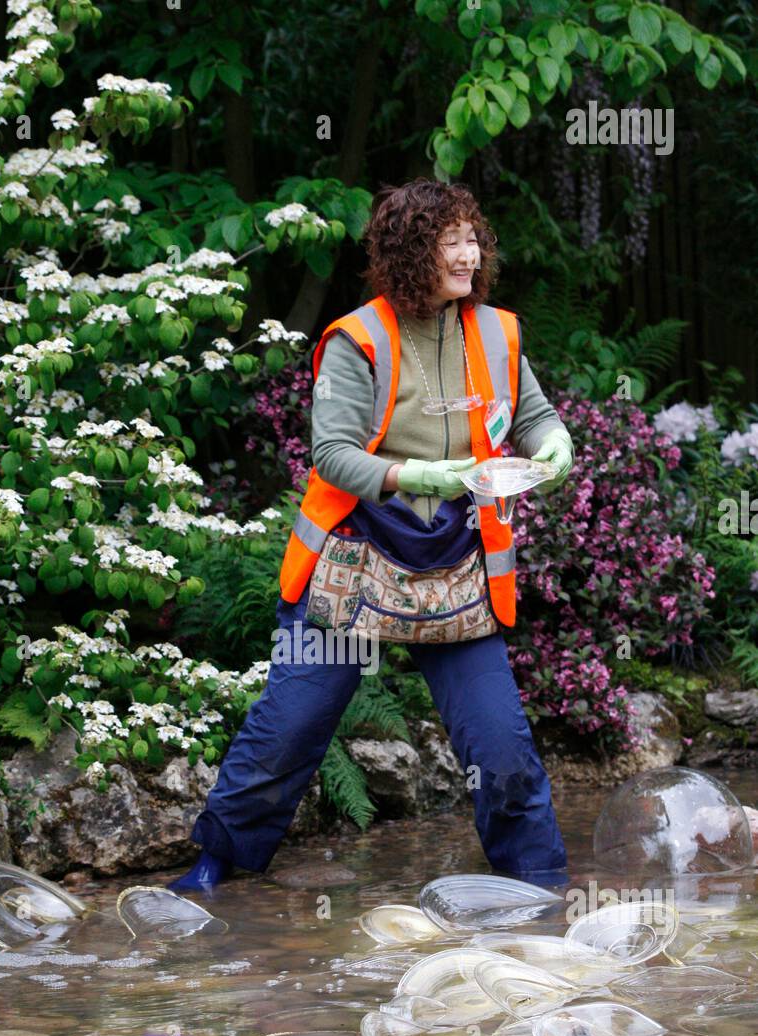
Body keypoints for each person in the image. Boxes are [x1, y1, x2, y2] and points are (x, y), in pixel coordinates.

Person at [168, 178, 572, 894]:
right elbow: (333, 454)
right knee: (290, 724)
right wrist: (423, 475)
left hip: (457, 563)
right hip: (354, 558)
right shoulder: (359, 338)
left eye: (473, 237)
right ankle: (217, 863)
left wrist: (555, 442)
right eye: (451, 240)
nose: (468, 254)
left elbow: (533, 414)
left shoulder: (497, 330)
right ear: (413, 251)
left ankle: (538, 885)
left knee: (500, 744)